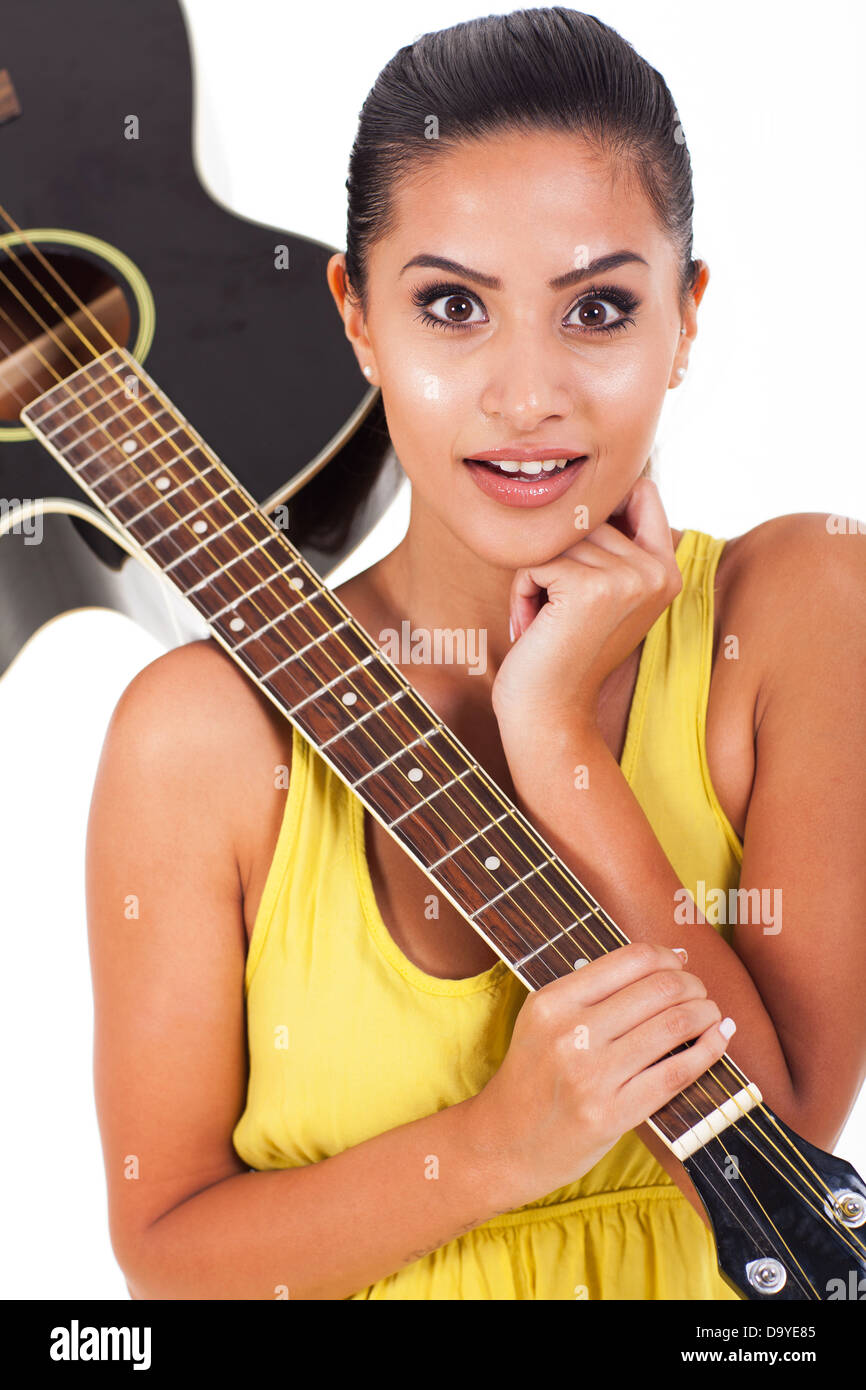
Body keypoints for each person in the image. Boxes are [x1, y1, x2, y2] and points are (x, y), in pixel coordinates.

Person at [87, 8, 866, 1300]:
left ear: (686, 316)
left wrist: (559, 745)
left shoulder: (803, 606)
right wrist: (493, 1148)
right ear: (355, 317)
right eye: (452, 305)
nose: (525, 395)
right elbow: (167, 1260)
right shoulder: (199, 736)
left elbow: (782, 1160)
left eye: (598, 307)